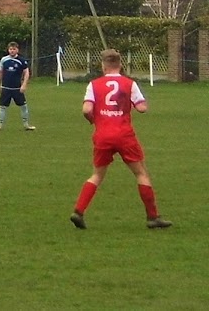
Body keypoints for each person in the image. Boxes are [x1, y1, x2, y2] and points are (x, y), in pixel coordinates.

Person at [69, 49, 170, 230]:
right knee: (141, 173)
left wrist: (94, 121)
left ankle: (79, 211)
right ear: (120, 65)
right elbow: (142, 108)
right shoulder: (129, 84)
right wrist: (139, 100)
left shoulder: (94, 84)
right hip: (124, 135)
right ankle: (153, 217)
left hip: (103, 134)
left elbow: (86, 109)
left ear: (103, 65)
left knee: (97, 175)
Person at [0, 42, 35, 132]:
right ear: (8, 50)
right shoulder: (4, 60)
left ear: (17, 50)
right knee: (2, 107)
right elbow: (0, 72)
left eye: (14, 49)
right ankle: (0, 126)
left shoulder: (22, 61)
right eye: (10, 49)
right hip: (6, 88)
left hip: (17, 88)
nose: (12, 51)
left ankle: (26, 125)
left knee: (23, 106)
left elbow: (26, 73)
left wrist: (24, 84)